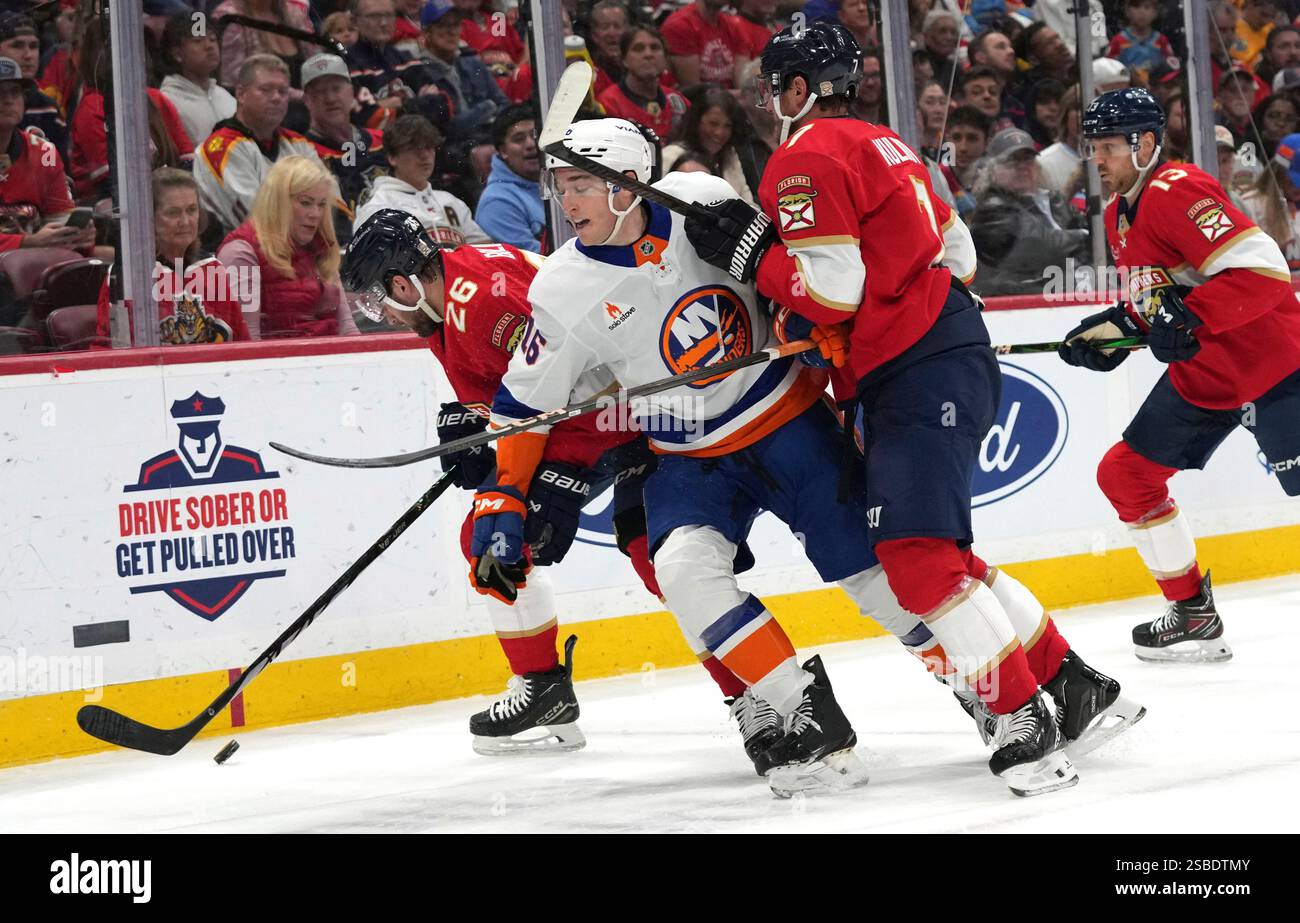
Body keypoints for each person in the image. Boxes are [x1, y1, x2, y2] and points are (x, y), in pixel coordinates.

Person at [683, 23, 1141, 795]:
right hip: (936, 355)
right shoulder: (888, 145)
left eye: (776, 86)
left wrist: (756, 261)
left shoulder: (804, 157)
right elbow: (955, 254)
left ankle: (1023, 717)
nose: (772, 101)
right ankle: (1074, 686)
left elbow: (833, 288)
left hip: (915, 369)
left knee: (918, 559)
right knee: (945, 557)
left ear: (797, 89)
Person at [339, 208, 764, 759]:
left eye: (379, 299)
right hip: (594, 425)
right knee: (490, 541)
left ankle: (755, 692)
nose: (383, 314)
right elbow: (517, 387)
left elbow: (581, 378)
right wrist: (478, 427)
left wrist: (546, 469)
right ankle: (544, 691)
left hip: (635, 416)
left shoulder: (482, 304)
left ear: (402, 283)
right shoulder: (447, 303)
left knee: (660, 557)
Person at [1059, 88, 1300, 663]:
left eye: (1109, 148)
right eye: (1093, 148)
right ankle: (1192, 611)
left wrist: (1188, 316)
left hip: (1275, 367)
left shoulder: (1179, 189)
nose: (1098, 160)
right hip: (1207, 377)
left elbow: (1265, 273)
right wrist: (1115, 331)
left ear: (1145, 144)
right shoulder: (1121, 212)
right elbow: (1164, 303)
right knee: (1126, 477)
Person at [94, 168, 249, 346]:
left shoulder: (212, 269)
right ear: (148, 218)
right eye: (173, 213)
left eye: (192, 210)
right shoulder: (126, 277)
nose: (185, 221)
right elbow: (114, 350)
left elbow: (240, 341)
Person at [216, 155, 358, 339]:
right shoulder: (240, 253)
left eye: (322, 204)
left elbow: (348, 328)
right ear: (278, 202)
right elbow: (247, 342)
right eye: (305, 203)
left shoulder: (321, 248)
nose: (316, 214)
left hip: (329, 361)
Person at [194, 55, 322, 236]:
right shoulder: (222, 147)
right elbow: (261, 221)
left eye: (283, 91)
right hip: (243, 259)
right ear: (240, 94)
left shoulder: (299, 144)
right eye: (266, 89)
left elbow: (330, 202)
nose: (277, 98)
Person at [968, 127, 1089, 294]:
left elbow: (1087, 229)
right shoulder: (991, 211)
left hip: (1066, 291)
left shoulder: (1053, 201)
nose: (1022, 167)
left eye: (1028, 160)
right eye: (1012, 161)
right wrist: (1086, 237)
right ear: (993, 171)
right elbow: (1037, 243)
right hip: (1013, 300)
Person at [0, 57, 90, 257]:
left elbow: (58, 217)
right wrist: (28, 242)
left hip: (29, 263)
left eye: (15, 92)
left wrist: (76, 234)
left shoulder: (44, 152)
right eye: (0, 92)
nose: (8, 100)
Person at [354, 114, 488, 246]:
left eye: (429, 147)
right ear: (392, 157)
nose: (425, 155)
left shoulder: (452, 202)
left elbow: (485, 249)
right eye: (415, 148)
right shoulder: (379, 207)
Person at [300, 52, 385, 246]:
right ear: (307, 100)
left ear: (351, 92)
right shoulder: (303, 156)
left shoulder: (382, 141)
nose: (330, 98)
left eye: (336, 89)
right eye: (320, 92)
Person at [418, 0, 508, 143]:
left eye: (456, 25)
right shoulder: (420, 72)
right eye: (443, 25)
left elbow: (504, 104)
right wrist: (487, 107)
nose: (452, 31)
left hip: (490, 139)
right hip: (457, 149)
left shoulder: (473, 63)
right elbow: (449, 129)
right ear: (427, 32)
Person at [661, 87, 758, 206]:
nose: (719, 133)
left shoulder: (730, 156)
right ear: (696, 121)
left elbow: (749, 204)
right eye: (713, 123)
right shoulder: (669, 156)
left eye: (727, 126)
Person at [158, 13, 237, 157]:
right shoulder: (167, 100)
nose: (210, 46)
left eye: (213, 39)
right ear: (177, 54)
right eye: (198, 40)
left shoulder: (226, 97)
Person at [597, 25, 689, 144]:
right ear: (624, 60)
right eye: (638, 48)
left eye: (655, 47)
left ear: (665, 58)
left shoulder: (678, 102)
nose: (648, 54)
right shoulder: (608, 105)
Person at [0, 11, 68, 165]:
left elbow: (63, 177)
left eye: (34, 46)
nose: (28, 55)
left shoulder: (49, 108)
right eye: (17, 45)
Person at [474, 104, 544, 251]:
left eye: (535, 135)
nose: (531, 144)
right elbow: (532, 262)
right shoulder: (497, 203)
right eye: (519, 139)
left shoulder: (560, 183)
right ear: (503, 151)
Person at [211, 0, 317, 90]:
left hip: (308, 105)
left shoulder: (294, 12)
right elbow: (232, 83)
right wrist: (303, 96)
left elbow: (317, 61)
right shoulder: (229, 16)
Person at [660, 0, 749, 89]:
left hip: (731, 99)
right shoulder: (679, 25)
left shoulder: (733, 25)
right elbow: (694, 90)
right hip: (696, 100)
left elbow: (743, 83)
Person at [1105, 0, 1176, 74]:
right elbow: (1108, 70)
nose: (1141, 12)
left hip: (1155, 84)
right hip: (1126, 84)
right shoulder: (1118, 41)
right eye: (1136, 6)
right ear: (1127, 11)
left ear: (1155, 13)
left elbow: (1171, 69)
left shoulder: (1161, 41)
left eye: (1147, 7)